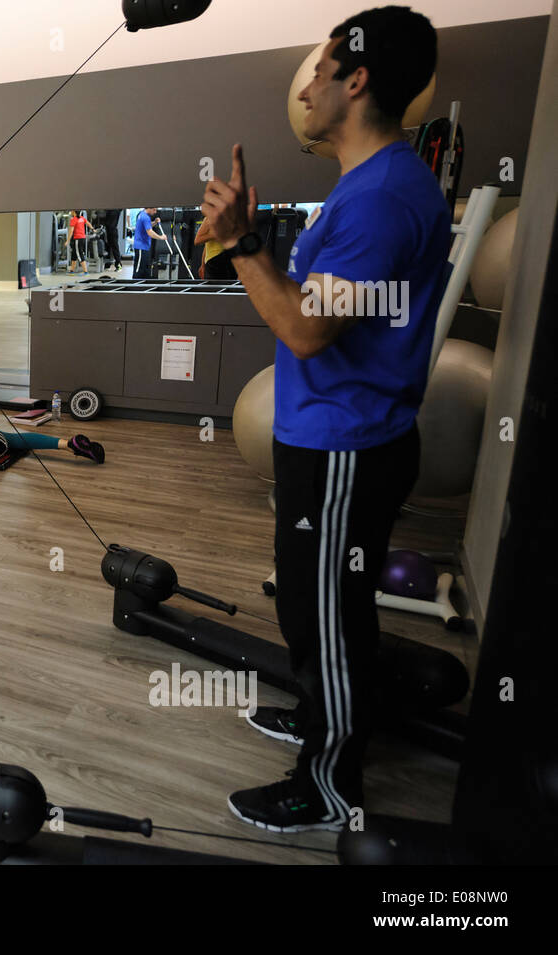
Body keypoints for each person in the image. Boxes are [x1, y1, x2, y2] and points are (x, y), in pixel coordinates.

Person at [197, 7, 450, 832]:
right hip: (328, 438)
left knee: (328, 614)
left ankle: (331, 781)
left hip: (347, 444)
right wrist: (247, 247)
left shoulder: (381, 197)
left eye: (318, 68)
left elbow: (305, 327)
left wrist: (241, 247)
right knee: (313, 605)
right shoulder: (368, 182)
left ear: (358, 77)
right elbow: (309, 307)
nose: (304, 87)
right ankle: (321, 711)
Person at [132, 207, 164, 279]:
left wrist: (155, 222)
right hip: (141, 247)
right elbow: (149, 232)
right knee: (139, 270)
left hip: (145, 247)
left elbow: (147, 226)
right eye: (154, 210)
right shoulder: (145, 217)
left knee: (145, 270)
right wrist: (161, 237)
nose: (155, 212)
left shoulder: (142, 214)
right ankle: (135, 286)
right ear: (149, 208)